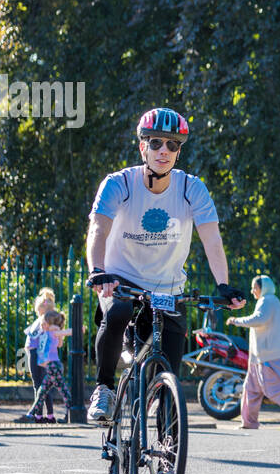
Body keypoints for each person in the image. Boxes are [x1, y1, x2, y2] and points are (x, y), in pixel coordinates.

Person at [84, 108, 245, 424]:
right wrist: (97, 269)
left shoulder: (190, 188)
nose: (164, 151)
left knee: (170, 379)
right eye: (156, 143)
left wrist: (223, 285)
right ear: (142, 146)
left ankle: (167, 461)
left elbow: (212, 240)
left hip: (168, 289)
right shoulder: (119, 184)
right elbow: (98, 229)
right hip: (120, 282)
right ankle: (104, 387)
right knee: (117, 313)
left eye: (173, 145)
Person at [227, 275, 280, 430]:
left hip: (265, 355)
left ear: (262, 288)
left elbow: (259, 319)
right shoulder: (269, 300)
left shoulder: (268, 300)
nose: (252, 290)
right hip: (259, 356)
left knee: (274, 390)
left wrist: (236, 321)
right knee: (250, 390)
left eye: (255, 287)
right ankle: (249, 422)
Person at [18, 289, 58, 422]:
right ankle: (48, 415)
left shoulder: (44, 321)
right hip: (36, 353)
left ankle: (39, 415)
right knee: (43, 385)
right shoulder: (41, 321)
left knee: (38, 384)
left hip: (37, 354)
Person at [24, 310, 70, 422]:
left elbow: (67, 333)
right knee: (42, 392)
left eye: (44, 323)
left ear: (51, 324)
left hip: (54, 367)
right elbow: (59, 344)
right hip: (51, 367)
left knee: (60, 392)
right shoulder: (47, 333)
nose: (41, 325)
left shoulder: (53, 332)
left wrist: (60, 331)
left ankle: (30, 414)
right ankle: (30, 414)